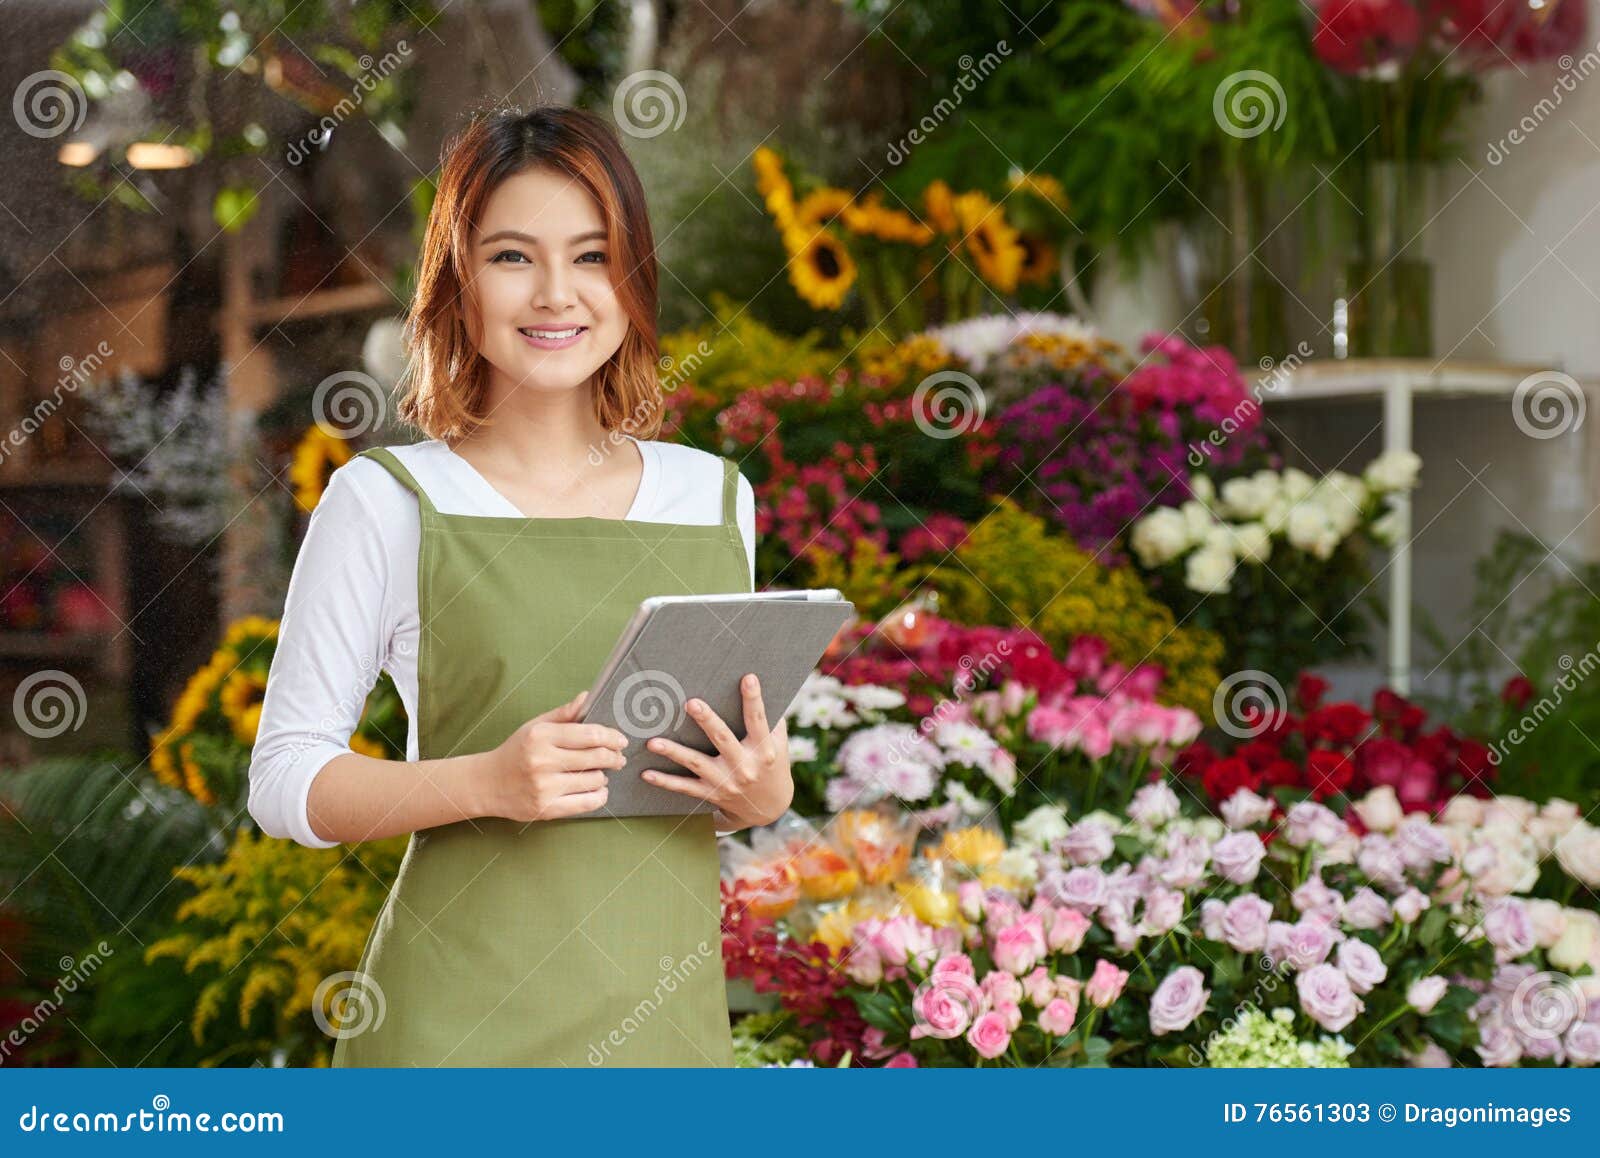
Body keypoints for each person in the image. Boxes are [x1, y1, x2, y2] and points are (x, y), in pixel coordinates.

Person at [247, 105, 794, 1067]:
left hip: (663, 1034)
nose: (555, 294)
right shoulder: (385, 502)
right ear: (457, 286)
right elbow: (286, 779)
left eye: (591, 257)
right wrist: (486, 782)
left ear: (631, 282)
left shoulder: (715, 500)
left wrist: (760, 793)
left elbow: (721, 775)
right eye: (511, 257)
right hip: (453, 1031)